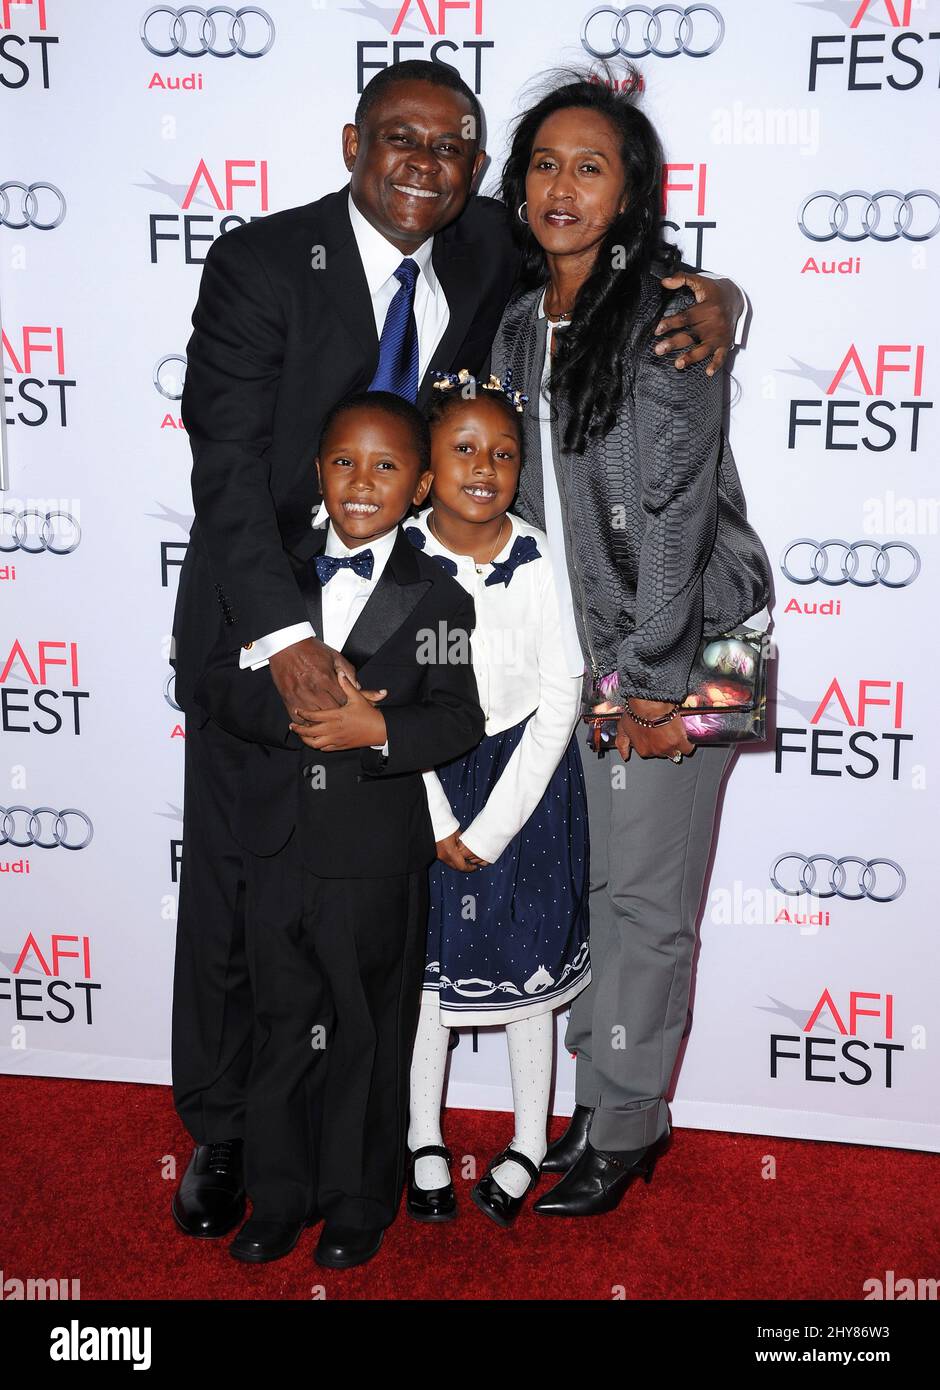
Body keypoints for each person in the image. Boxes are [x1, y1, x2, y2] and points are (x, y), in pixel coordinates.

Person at [169, 56, 747, 1238]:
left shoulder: (568, 279)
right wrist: (283, 635)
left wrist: (728, 297)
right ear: (352, 144)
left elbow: (680, 495)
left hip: (638, 651)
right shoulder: (305, 262)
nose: (428, 167)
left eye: (456, 149)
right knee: (245, 894)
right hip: (288, 632)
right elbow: (224, 467)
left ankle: (603, 1120)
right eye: (402, 141)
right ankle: (228, 1131)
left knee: (597, 893)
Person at [489, 71, 773, 1217]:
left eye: (588, 166)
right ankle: (608, 1103)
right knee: (608, 887)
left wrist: (652, 688)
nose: (562, 187)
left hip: (688, 645)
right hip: (596, 651)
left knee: (647, 900)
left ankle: (622, 1124)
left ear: (629, 194)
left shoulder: (668, 316)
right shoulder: (519, 322)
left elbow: (673, 517)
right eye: (545, 165)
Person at [189, 392, 485, 1268]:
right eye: (345, 463)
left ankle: (360, 1201)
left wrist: (379, 733)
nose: (363, 483)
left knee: (365, 1027)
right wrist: (293, 714)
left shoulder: (439, 601)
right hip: (275, 845)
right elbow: (209, 681)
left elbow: (459, 719)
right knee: (283, 1025)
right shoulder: (267, 580)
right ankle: (278, 1198)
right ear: (318, 470)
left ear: (423, 484)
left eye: (387, 466)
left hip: (373, 858)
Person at [403, 372, 590, 1229]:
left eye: (504, 452)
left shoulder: (544, 554)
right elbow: (382, 700)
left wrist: (492, 825)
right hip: (419, 781)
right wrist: (442, 820)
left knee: (525, 974)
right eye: (464, 449)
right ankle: (421, 1138)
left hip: (528, 789)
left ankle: (525, 1141)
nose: (484, 467)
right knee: (427, 980)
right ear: (425, 465)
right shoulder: (396, 554)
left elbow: (563, 694)